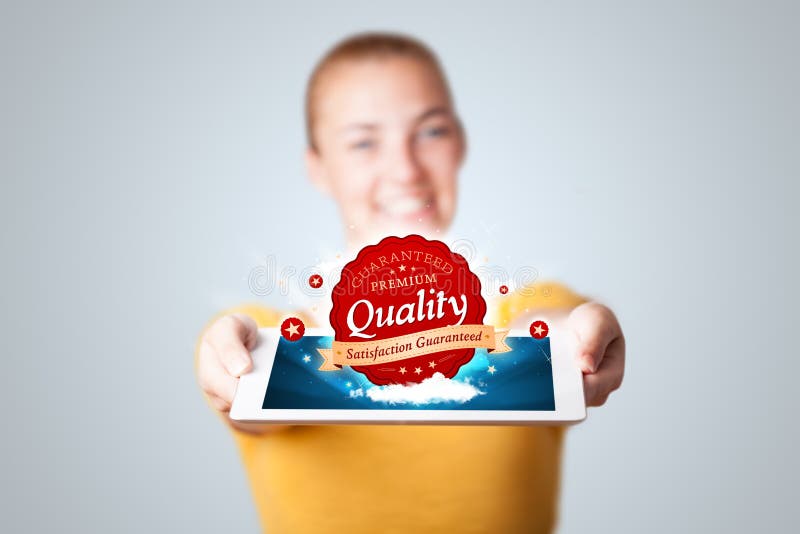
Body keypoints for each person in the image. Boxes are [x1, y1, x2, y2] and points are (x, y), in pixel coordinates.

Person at [196, 32, 625, 533]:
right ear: (318, 168)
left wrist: (581, 338)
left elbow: (559, 332)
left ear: (460, 143)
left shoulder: (531, 309)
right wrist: (236, 370)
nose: (405, 169)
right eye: (363, 142)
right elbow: (247, 406)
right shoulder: (261, 332)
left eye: (431, 132)